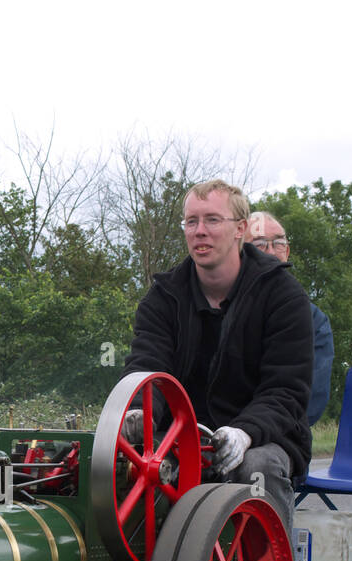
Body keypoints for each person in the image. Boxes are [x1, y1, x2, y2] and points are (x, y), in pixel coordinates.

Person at [123, 179, 313, 539]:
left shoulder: (283, 295)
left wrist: (244, 433)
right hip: (183, 434)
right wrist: (139, 412)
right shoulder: (163, 297)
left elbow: (286, 389)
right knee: (133, 468)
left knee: (256, 469)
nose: (199, 232)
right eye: (191, 222)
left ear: (240, 229)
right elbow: (149, 366)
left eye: (212, 220)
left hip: (266, 436)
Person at [246, 211, 333, 426]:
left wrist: (251, 430)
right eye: (259, 244)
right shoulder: (214, 309)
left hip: (279, 435)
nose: (272, 252)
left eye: (279, 243)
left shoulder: (315, 321)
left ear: (288, 251)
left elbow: (310, 400)